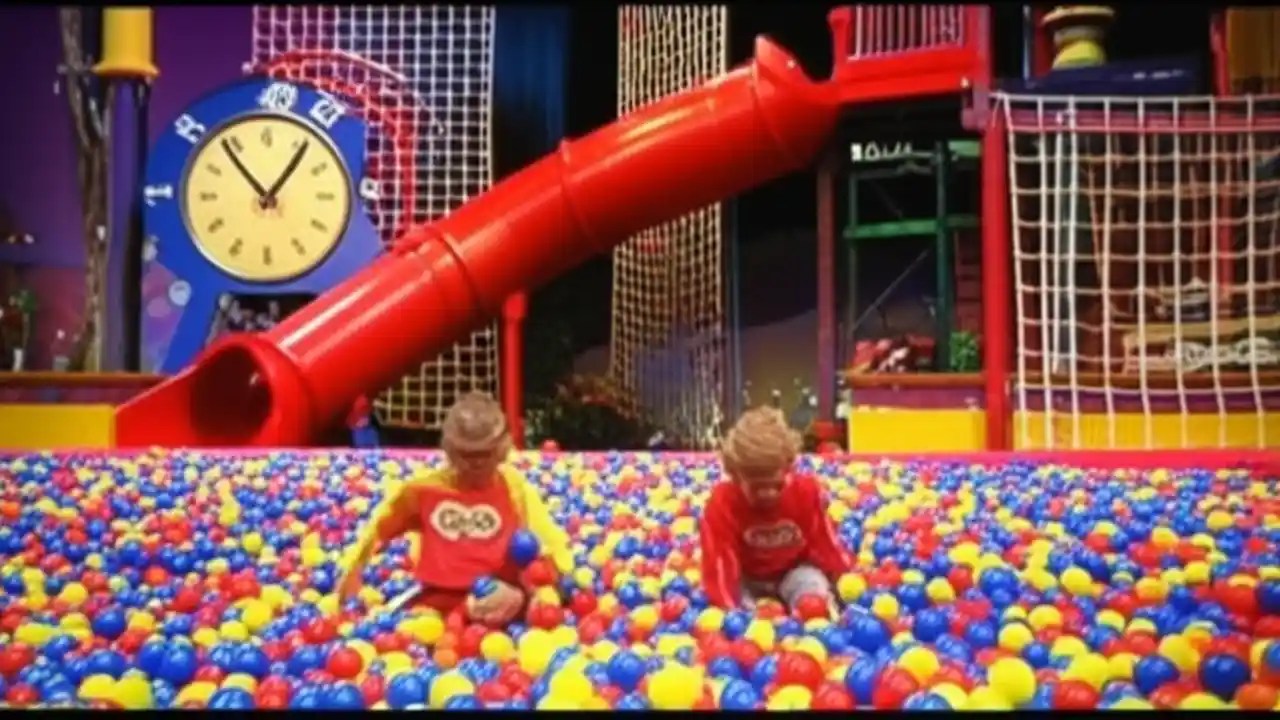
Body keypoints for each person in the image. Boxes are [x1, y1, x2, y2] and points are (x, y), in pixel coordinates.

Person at [337, 392, 573, 626]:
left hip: (499, 596)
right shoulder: (424, 491)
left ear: (502, 450)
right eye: (466, 455)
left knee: (525, 606)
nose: (476, 463)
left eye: (485, 453)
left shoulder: (513, 489)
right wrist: (347, 582)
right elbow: (377, 530)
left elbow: (545, 538)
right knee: (405, 627)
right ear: (449, 450)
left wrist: (555, 584)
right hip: (438, 599)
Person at [699, 405, 852, 613]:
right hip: (747, 579)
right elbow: (719, 562)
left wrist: (844, 585)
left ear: (788, 468)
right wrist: (728, 610)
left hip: (794, 571)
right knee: (742, 614)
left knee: (814, 595)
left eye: (776, 485)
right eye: (757, 487)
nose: (768, 494)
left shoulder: (806, 491)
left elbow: (824, 541)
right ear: (735, 476)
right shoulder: (723, 502)